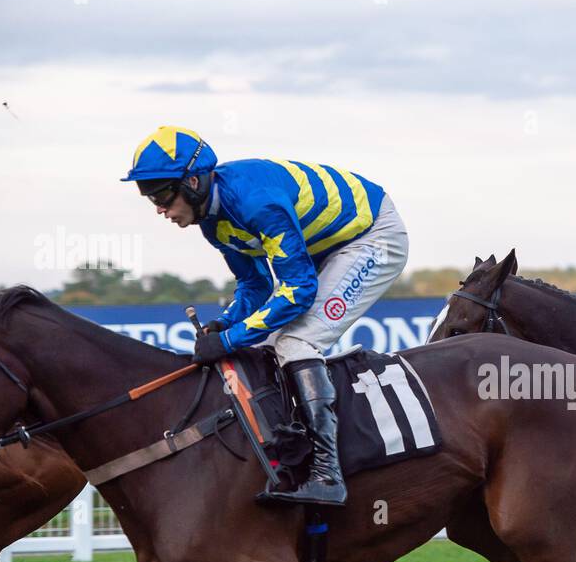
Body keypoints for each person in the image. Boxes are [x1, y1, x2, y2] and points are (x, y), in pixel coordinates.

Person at [122, 126, 409, 505]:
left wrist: (228, 340)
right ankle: (296, 453)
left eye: (160, 194)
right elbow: (255, 285)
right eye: (149, 197)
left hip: (372, 237)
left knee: (296, 340)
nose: (159, 208)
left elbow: (298, 291)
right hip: (329, 248)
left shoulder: (256, 204)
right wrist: (225, 322)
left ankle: (328, 473)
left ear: (192, 181)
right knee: (271, 347)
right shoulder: (212, 220)